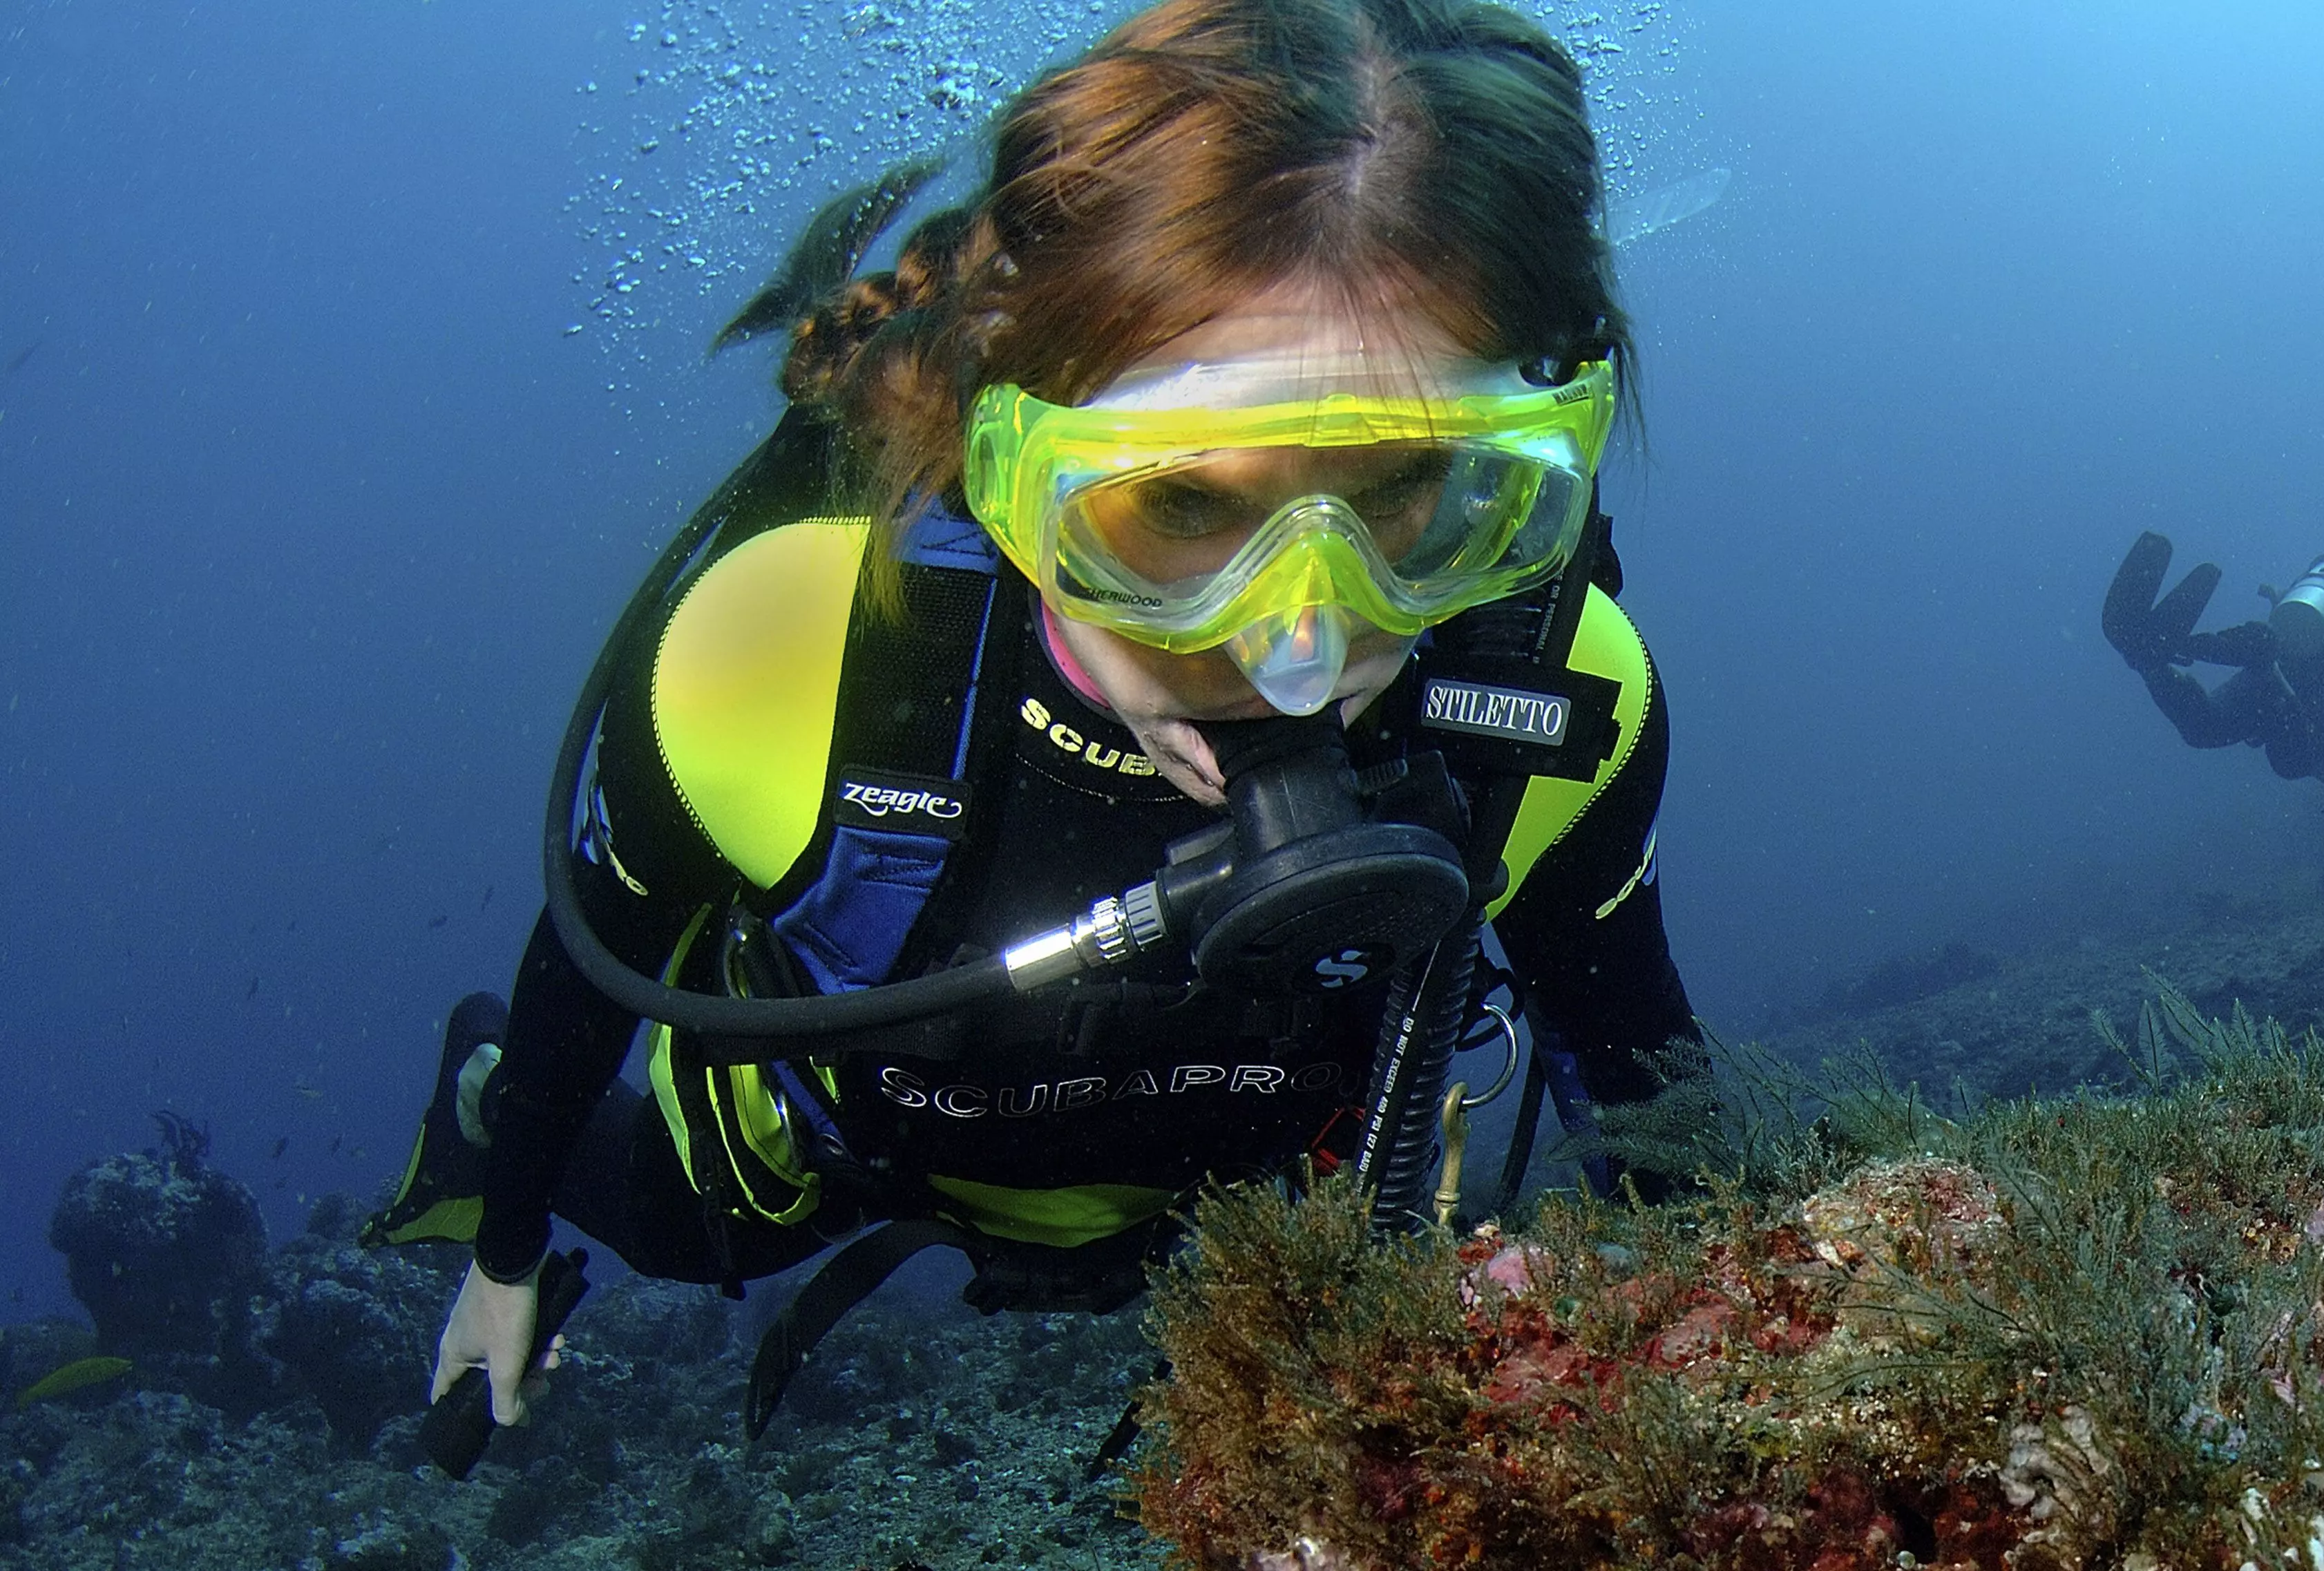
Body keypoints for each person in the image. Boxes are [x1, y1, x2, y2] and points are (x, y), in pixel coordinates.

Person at [370, 0, 1701, 1438]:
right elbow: (596, 967)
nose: (1299, 652)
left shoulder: (1562, 711)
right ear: (1006, 467)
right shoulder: (778, 664)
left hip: (1238, 1204)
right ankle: (476, 1090)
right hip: (847, 1157)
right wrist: (505, 1260)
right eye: (1182, 505)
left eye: (1401, 495)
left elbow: (1641, 1088)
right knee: (695, 1231)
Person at [2101, 533, 2324, 782]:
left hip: (2275, 676)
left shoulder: (2310, 632)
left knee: (2203, 727)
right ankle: (2158, 655)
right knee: (2290, 759)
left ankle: (2151, 658)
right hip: (2301, 722)